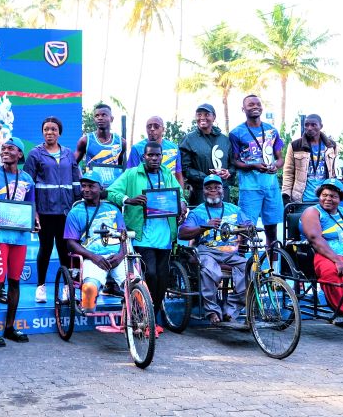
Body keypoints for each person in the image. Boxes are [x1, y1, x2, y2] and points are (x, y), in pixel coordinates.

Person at [107, 141, 186, 337]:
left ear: (162, 156)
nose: (154, 158)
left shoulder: (167, 174)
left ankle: (152, 319)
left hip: (165, 235)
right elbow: (111, 191)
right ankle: (143, 317)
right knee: (150, 274)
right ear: (144, 157)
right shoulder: (132, 174)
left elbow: (180, 195)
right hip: (142, 236)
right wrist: (129, 200)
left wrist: (183, 204)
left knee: (162, 278)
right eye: (150, 155)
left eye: (157, 155)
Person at [0, 137, 38, 347]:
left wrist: (36, 221)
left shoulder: (28, 179)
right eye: (3, 149)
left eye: (10, 148)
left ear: (20, 154)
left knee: (14, 281)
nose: (5, 151)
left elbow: (31, 207)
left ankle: (10, 327)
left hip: (20, 237)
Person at [178, 175, 252, 324]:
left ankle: (230, 311)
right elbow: (182, 233)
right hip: (207, 252)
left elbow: (249, 225)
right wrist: (203, 227)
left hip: (231, 253)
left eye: (217, 187)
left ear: (223, 190)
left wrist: (247, 227)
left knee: (251, 269)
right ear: (203, 191)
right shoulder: (197, 212)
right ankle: (212, 311)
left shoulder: (234, 209)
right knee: (210, 271)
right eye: (209, 188)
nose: (213, 190)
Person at [25, 116, 80, 304]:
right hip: (45, 212)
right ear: (42, 132)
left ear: (59, 133)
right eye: (46, 129)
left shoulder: (68, 154)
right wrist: (34, 211)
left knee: (65, 251)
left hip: (66, 212)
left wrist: (77, 207)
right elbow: (28, 185)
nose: (50, 132)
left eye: (53, 129)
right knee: (46, 249)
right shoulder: (35, 154)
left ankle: (67, 287)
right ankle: (41, 287)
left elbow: (76, 182)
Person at [300, 179, 343, 316]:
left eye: (333, 196)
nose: (328, 199)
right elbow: (315, 239)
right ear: (319, 196)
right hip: (324, 253)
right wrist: (337, 261)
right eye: (324, 195)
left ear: (340, 199)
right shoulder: (312, 212)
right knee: (332, 271)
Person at [64, 172, 127, 313]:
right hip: (92, 258)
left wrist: (121, 255)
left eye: (91, 186)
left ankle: (138, 320)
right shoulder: (75, 212)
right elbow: (71, 243)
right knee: (89, 292)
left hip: (117, 257)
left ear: (101, 188)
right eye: (83, 186)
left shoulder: (113, 210)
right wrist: (94, 257)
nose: (86, 189)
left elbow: (124, 236)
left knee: (138, 288)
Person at [229, 95, 284, 247]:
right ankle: (240, 260)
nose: (255, 106)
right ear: (243, 109)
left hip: (271, 187)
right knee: (245, 230)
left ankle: (272, 262)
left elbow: (280, 159)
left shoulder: (272, 130)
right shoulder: (236, 133)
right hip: (249, 187)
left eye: (258, 104)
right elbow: (234, 161)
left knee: (272, 230)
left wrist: (276, 166)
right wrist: (253, 166)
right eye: (250, 104)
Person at [179, 103, 235, 207]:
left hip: (222, 190)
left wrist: (228, 172)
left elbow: (233, 164)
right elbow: (184, 168)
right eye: (199, 115)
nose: (202, 117)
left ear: (214, 117)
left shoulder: (224, 140)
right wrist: (207, 177)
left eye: (207, 114)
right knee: (201, 216)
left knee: (223, 216)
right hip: (200, 191)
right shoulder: (189, 139)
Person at [282, 114, 341, 203]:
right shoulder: (295, 145)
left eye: (313, 125)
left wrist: (338, 179)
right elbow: (288, 172)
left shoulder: (331, 145)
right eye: (306, 125)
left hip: (325, 199)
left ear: (321, 126)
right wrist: (286, 194)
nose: (309, 128)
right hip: (302, 199)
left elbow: (335, 170)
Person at [127, 115, 185, 192]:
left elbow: (178, 175)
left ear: (163, 129)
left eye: (156, 126)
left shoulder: (174, 148)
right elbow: (131, 175)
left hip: (169, 193)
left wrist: (181, 196)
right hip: (145, 193)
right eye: (149, 126)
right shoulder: (137, 148)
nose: (152, 129)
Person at [74, 103, 126, 187]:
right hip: (92, 188)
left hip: (113, 188)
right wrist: (82, 178)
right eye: (97, 116)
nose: (100, 118)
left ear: (111, 118)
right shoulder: (85, 140)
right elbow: (73, 164)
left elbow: (120, 166)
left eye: (104, 115)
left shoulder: (121, 142)